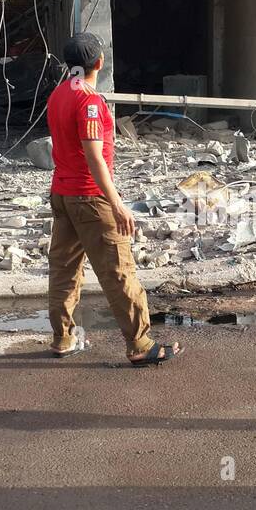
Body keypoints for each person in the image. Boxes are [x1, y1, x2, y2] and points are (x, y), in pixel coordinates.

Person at [45, 32, 182, 366]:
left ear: (69, 64)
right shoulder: (90, 102)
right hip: (89, 198)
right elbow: (94, 157)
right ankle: (140, 344)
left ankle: (63, 338)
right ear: (100, 63)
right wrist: (117, 202)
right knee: (118, 272)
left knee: (64, 270)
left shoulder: (59, 94)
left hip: (62, 193)